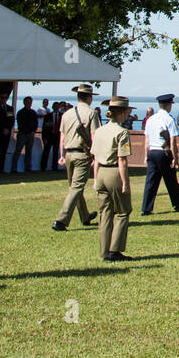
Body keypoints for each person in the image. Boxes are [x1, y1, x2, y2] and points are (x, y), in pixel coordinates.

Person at [92, 96, 134, 262]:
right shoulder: (122, 132)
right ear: (122, 113)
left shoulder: (100, 131)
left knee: (105, 214)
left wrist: (96, 179)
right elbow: (122, 159)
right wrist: (125, 182)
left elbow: (95, 157)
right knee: (123, 211)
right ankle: (114, 250)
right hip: (114, 173)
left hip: (101, 172)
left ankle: (104, 251)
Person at [52, 84, 100, 231]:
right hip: (82, 153)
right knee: (76, 187)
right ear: (89, 97)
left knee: (74, 187)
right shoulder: (92, 113)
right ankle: (61, 220)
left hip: (68, 153)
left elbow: (62, 136)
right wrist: (96, 155)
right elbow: (95, 136)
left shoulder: (67, 114)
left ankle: (85, 216)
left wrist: (62, 155)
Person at [141, 93, 179, 216]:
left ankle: (146, 208)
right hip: (163, 152)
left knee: (151, 181)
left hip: (152, 152)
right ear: (168, 105)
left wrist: (146, 155)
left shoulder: (151, 119)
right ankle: (178, 204)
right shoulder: (169, 119)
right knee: (171, 179)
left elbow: (146, 140)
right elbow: (172, 140)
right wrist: (175, 157)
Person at [12, 96, 39, 172]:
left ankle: (28, 167)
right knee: (18, 151)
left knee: (29, 152)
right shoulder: (20, 112)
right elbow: (20, 124)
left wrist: (33, 131)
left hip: (31, 135)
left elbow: (36, 123)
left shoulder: (33, 112)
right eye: (27, 102)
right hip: (22, 134)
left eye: (30, 102)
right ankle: (14, 168)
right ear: (24, 102)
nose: (29, 104)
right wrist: (27, 132)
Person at [38, 99, 59, 171]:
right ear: (53, 107)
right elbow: (44, 127)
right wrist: (44, 138)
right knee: (46, 151)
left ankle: (55, 167)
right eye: (55, 106)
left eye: (57, 106)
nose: (56, 108)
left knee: (56, 152)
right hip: (49, 136)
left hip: (57, 136)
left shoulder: (61, 116)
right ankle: (43, 167)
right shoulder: (48, 116)